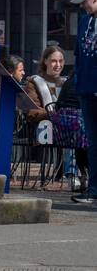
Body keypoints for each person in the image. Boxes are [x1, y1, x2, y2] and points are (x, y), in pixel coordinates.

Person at [70, 0, 97, 206]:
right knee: (93, 142)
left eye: (85, 1)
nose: (82, 6)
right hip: (87, 91)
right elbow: (78, 54)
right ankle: (94, 189)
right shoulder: (85, 22)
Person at [52, 49, 89, 193]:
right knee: (86, 141)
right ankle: (87, 176)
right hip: (80, 127)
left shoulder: (69, 80)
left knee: (76, 143)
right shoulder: (88, 80)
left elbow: (58, 105)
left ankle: (77, 176)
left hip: (63, 129)